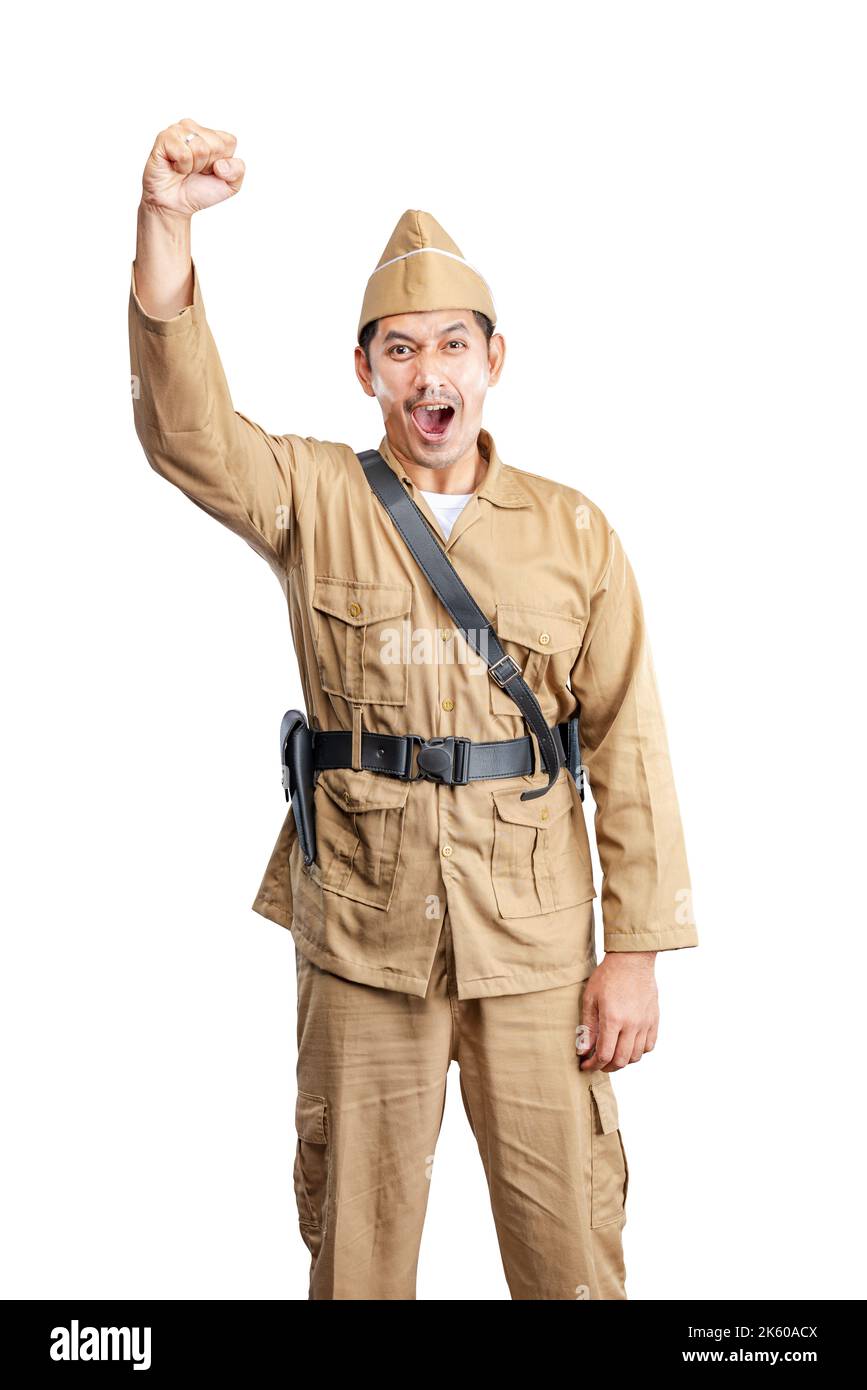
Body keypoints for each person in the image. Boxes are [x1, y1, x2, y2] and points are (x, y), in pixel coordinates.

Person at [128, 117, 698, 1301]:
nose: (428, 373)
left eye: (451, 345)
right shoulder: (314, 494)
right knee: (357, 1253)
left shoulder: (573, 531)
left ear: (496, 360)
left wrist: (634, 949)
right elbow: (186, 433)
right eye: (399, 349)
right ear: (365, 369)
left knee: (571, 1252)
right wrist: (168, 224)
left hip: (536, 934)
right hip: (365, 927)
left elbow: (627, 740)